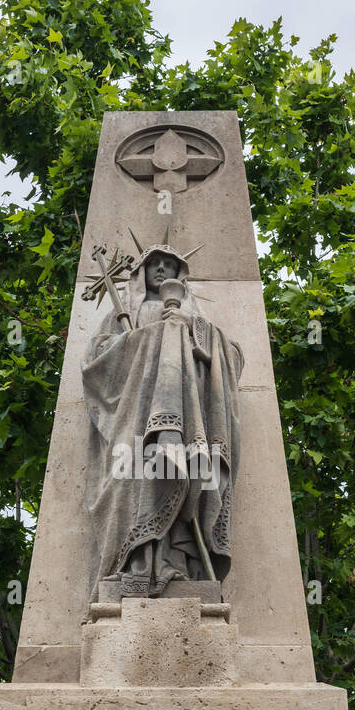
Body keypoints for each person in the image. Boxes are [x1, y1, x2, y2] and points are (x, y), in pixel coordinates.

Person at [82, 244, 243, 597]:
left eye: (169, 265)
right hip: (133, 416)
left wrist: (191, 332)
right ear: (141, 272)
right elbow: (96, 359)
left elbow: (230, 357)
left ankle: (177, 565)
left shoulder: (193, 317)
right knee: (133, 479)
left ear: (179, 275)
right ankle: (134, 565)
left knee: (179, 472)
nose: (161, 270)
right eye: (154, 263)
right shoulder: (124, 314)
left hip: (184, 417)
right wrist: (143, 340)